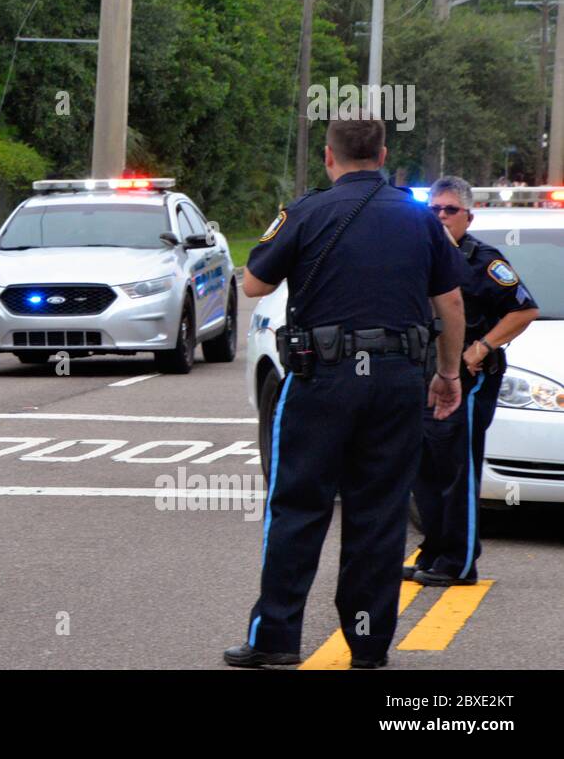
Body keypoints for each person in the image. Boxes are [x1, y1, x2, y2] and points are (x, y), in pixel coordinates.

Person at [224, 116, 467, 669]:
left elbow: (255, 284)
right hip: (398, 379)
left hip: (321, 378)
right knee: (378, 514)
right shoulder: (419, 219)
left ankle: (276, 639)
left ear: (329, 159)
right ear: (383, 156)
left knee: (297, 508)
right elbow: (450, 303)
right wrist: (447, 374)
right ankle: (367, 646)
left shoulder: (304, 211)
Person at [410, 176, 539, 586]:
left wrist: (481, 347)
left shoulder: (482, 260)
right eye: (434, 210)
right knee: (425, 467)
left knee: (457, 465)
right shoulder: (422, 256)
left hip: (470, 374)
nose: (442, 217)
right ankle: (433, 552)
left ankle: (461, 562)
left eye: (450, 210)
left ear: (468, 214)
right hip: (429, 370)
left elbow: (524, 310)